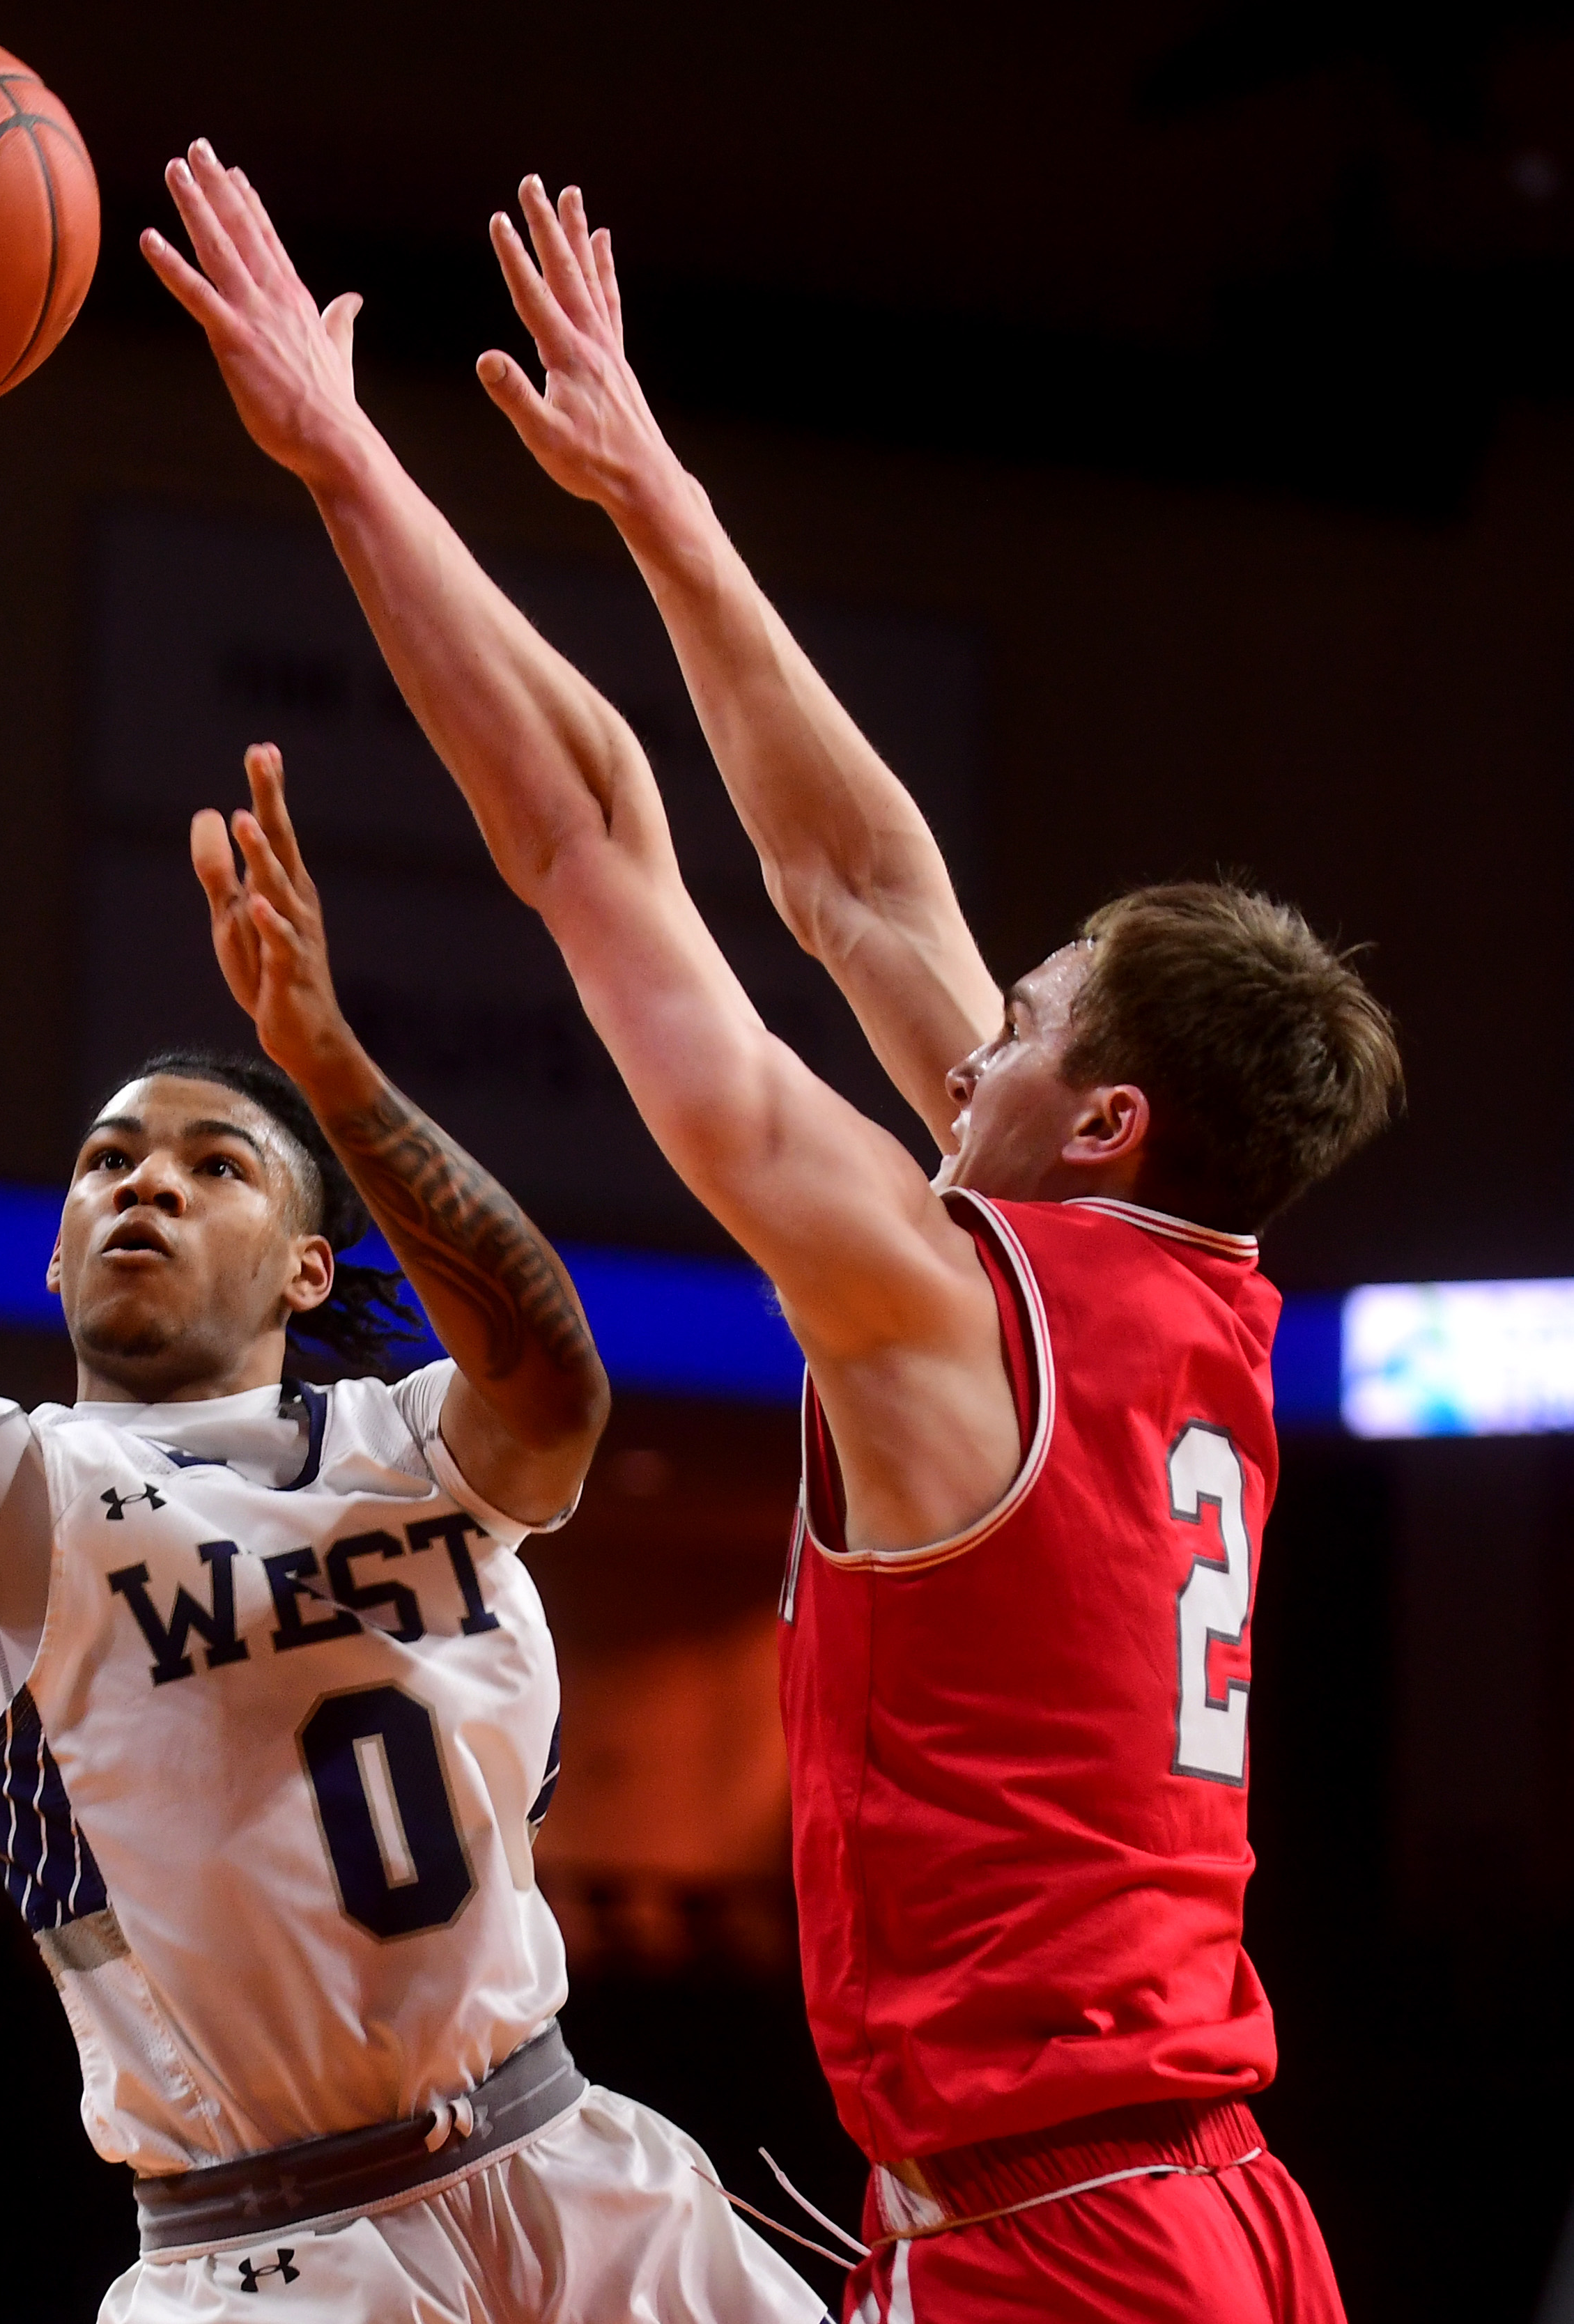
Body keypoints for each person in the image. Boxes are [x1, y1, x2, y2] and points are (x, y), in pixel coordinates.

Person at [146, 143, 1401, 2322]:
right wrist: (652, 492)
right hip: (1198, 2205)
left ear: (1099, 1120)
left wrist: (347, 463)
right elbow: (857, 894)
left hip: (1066, 2249)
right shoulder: (1184, 1287)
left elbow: (586, 834)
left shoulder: (949, 1305)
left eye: (1016, 1026)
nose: (963, 1036)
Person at [0, 293, 832, 2324]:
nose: (143, 1178)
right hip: (272, 2252)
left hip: (583, 2175)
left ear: (312, 1266)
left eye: (212, 1160)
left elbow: (555, 1385)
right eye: (103, 1161)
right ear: (57, 1252)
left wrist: (336, 1069)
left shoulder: (418, 1442)